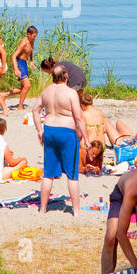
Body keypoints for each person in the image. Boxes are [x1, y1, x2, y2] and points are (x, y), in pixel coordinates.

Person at [33, 64, 88, 215]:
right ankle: (76, 211)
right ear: (66, 76)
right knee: (72, 175)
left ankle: (42, 209)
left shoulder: (46, 91)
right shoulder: (71, 93)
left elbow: (35, 110)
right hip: (66, 133)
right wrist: (87, 139)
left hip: (49, 130)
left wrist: (39, 130)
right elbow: (78, 118)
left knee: (48, 173)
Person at [9, 26, 37, 111]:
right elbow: (13, 56)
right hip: (19, 62)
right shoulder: (24, 42)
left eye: (35, 36)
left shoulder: (32, 41)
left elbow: (31, 50)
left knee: (22, 88)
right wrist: (16, 69)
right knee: (27, 86)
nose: (34, 38)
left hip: (24, 63)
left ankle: (3, 95)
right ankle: (20, 106)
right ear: (29, 34)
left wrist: (31, 61)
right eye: (33, 36)